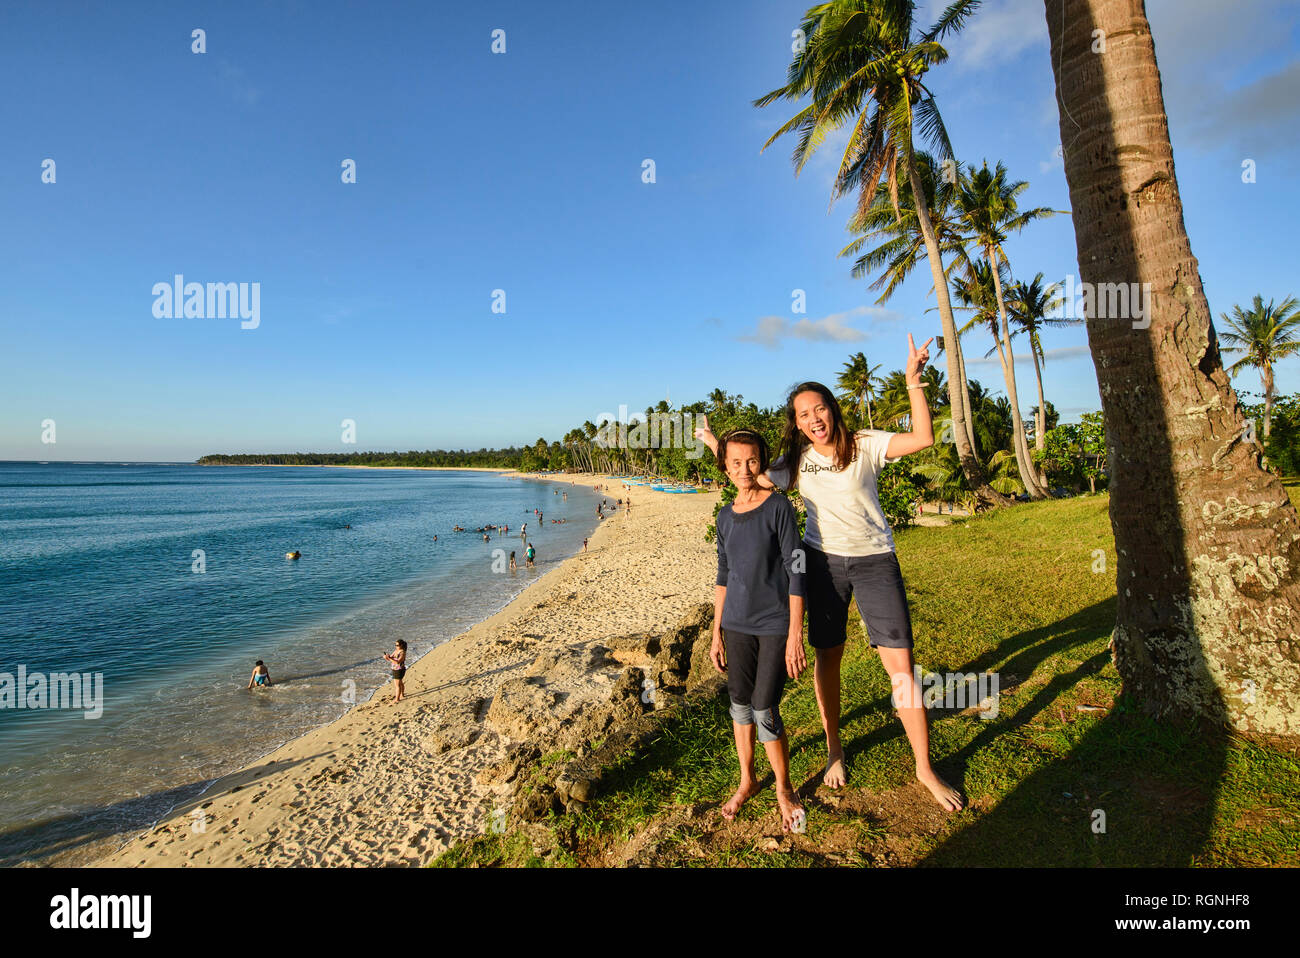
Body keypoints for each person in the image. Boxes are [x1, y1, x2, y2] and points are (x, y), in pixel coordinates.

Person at [695, 334, 962, 812]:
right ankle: (834, 749)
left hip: (876, 561)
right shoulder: (796, 463)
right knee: (828, 660)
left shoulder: (865, 444)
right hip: (821, 565)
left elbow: (922, 437)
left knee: (900, 667)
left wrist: (914, 382)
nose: (813, 420)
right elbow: (745, 472)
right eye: (803, 415)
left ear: (832, 410)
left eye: (819, 409)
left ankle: (924, 768)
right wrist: (716, 443)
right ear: (796, 425)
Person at [709, 429, 806, 832]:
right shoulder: (725, 516)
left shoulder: (778, 507)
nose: (744, 469)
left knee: (765, 705)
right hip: (735, 624)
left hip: (774, 624)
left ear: (761, 461)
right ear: (725, 466)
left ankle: (784, 788)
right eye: (735, 462)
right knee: (740, 704)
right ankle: (747, 780)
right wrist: (716, 632)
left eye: (751, 461)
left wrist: (795, 633)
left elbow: (797, 566)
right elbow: (724, 574)